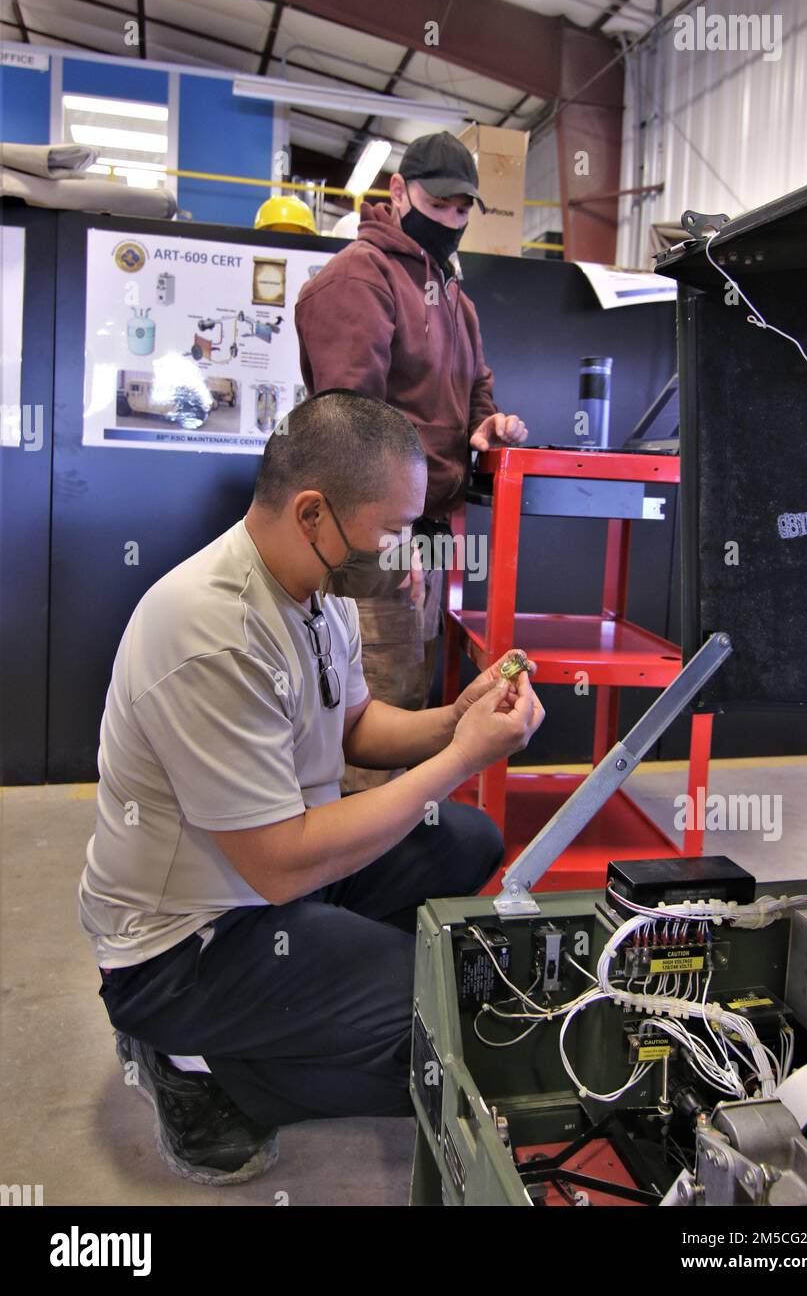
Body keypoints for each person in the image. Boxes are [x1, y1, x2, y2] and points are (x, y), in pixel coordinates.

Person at [79, 390, 544, 1186]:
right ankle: (196, 1062)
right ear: (313, 514)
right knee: (438, 1018)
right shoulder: (210, 633)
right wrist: (462, 759)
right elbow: (280, 864)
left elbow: (356, 726)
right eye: (392, 532)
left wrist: (453, 720)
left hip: (270, 882)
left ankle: (306, 995)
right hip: (186, 942)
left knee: (466, 839)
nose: (402, 554)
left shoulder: (316, 590)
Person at [295, 131, 529, 793]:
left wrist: (489, 420)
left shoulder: (456, 300)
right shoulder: (359, 277)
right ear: (398, 193)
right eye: (440, 202)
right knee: (369, 717)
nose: (453, 218)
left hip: (422, 534)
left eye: (464, 208)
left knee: (403, 699)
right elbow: (349, 424)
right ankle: (349, 874)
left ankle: (382, 865)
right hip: (369, 537)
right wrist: (391, 534)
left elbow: (476, 389)